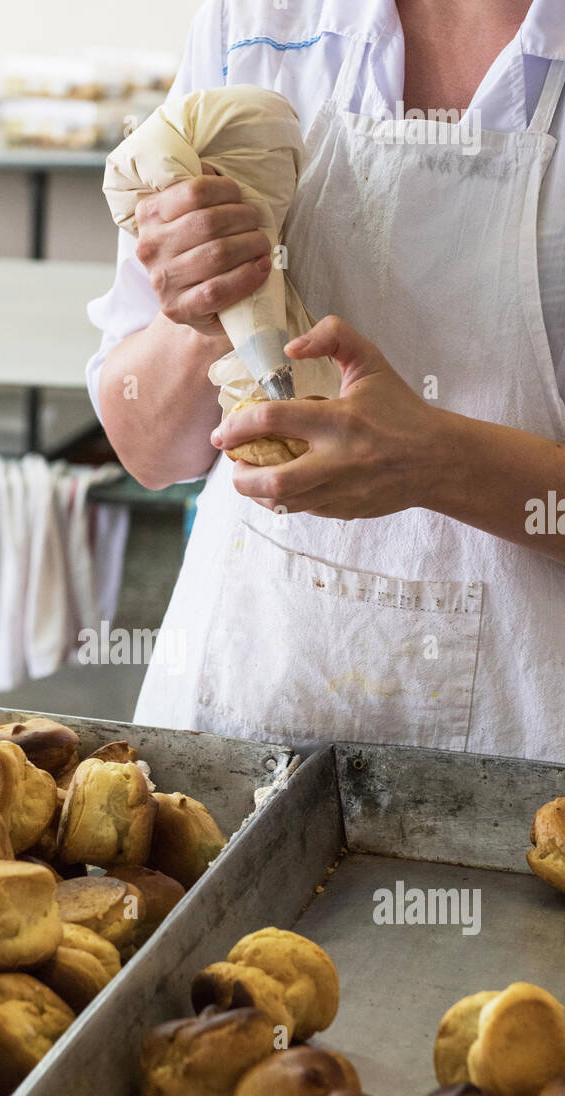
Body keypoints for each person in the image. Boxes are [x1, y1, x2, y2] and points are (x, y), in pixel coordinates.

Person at [87, 0, 565, 760]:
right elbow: (148, 448)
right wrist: (205, 301)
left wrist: (438, 463)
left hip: (526, 755)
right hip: (243, 718)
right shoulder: (258, 19)